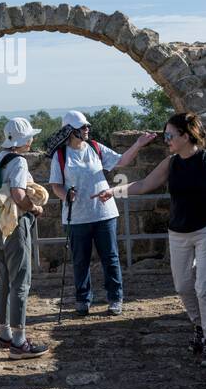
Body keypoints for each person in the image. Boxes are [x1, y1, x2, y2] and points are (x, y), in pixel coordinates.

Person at [98, 112, 206, 366]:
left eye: (170, 135)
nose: (166, 140)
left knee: (205, 288)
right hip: (178, 232)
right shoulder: (171, 163)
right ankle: (199, 326)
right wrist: (113, 191)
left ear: (185, 135)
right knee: (183, 286)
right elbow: (144, 184)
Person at [47, 110, 156, 316]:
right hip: (77, 217)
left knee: (110, 258)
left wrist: (139, 144)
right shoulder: (60, 156)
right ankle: (82, 299)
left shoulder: (95, 148)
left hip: (104, 214)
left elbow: (121, 161)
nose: (87, 129)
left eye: (87, 126)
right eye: (83, 127)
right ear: (71, 131)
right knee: (80, 260)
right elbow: (56, 186)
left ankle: (115, 298)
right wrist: (66, 196)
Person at [0, 117, 49, 359]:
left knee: (4, 275)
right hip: (14, 223)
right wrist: (33, 208)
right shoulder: (19, 161)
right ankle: (20, 342)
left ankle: (4, 333)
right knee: (21, 279)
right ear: (23, 139)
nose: (33, 140)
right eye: (30, 136)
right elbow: (18, 193)